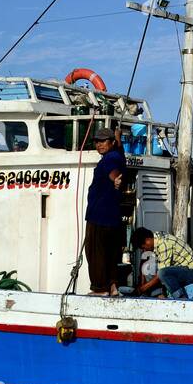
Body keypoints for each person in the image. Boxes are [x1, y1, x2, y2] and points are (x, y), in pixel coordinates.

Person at [84, 126, 126, 295]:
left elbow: (113, 173)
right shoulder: (119, 155)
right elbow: (119, 154)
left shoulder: (110, 158)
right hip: (112, 217)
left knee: (96, 253)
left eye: (103, 141)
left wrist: (116, 180)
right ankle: (112, 286)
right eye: (97, 141)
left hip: (99, 216)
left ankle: (100, 289)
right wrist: (118, 137)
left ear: (111, 143)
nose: (99, 145)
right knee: (111, 254)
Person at [130, 226, 193, 298]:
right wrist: (142, 286)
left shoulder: (164, 244)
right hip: (179, 270)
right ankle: (157, 295)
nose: (144, 250)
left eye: (143, 248)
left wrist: (142, 289)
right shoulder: (156, 238)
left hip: (192, 272)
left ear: (147, 240)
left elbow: (161, 274)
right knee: (150, 267)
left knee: (162, 273)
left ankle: (179, 297)